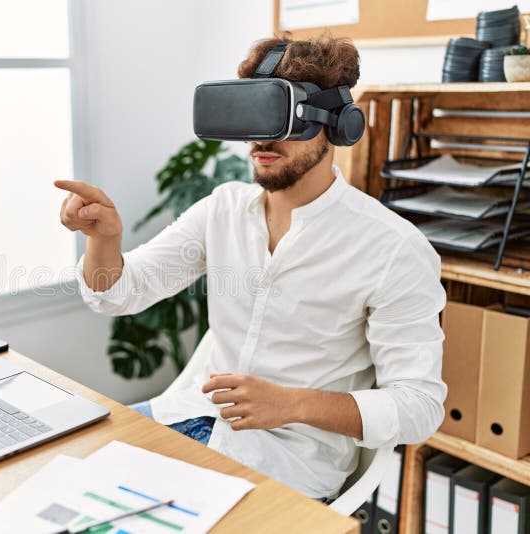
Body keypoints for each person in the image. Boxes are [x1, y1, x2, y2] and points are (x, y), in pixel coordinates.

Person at [54, 34, 446, 500]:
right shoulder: (222, 209)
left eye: (281, 118)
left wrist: (291, 404)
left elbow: (420, 406)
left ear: (338, 125)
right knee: (55, 482)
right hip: (187, 417)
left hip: (287, 465)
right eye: (252, 115)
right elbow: (119, 293)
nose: (261, 138)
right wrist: (104, 240)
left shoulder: (394, 249)